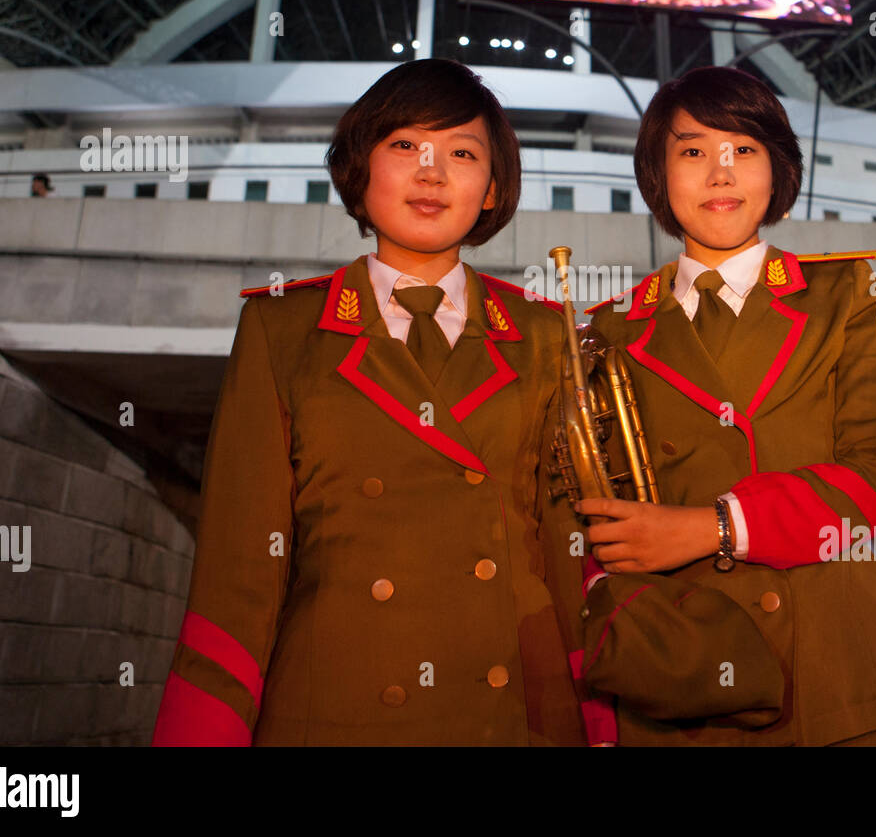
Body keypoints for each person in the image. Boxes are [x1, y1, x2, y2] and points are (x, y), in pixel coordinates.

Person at [152, 59, 585, 745]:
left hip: (509, 711)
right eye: (405, 145)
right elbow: (237, 577)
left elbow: (567, 555)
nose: (432, 171)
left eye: (462, 153)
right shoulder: (282, 328)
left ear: (493, 187)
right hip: (329, 711)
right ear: (361, 168)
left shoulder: (542, 334)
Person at [544, 66, 876, 746]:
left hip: (837, 692)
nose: (719, 173)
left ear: (778, 172)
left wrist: (715, 527)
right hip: (678, 690)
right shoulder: (607, 333)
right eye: (692, 151)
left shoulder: (847, 298)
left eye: (743, 149)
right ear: (658, 177)